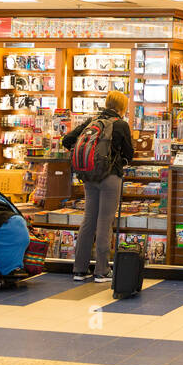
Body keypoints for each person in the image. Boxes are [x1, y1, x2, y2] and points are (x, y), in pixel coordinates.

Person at [61, 90, 134, 283]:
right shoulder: (120, 125)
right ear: (122, 107)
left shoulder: (92, 122)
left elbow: (67, 140)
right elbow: (129, 154)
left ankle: (79, 269)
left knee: (88, 220)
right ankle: (101, 271)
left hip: (89, 176)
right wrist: (118, 160)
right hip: (110, 177)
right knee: (105, 221)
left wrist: (89, 158)